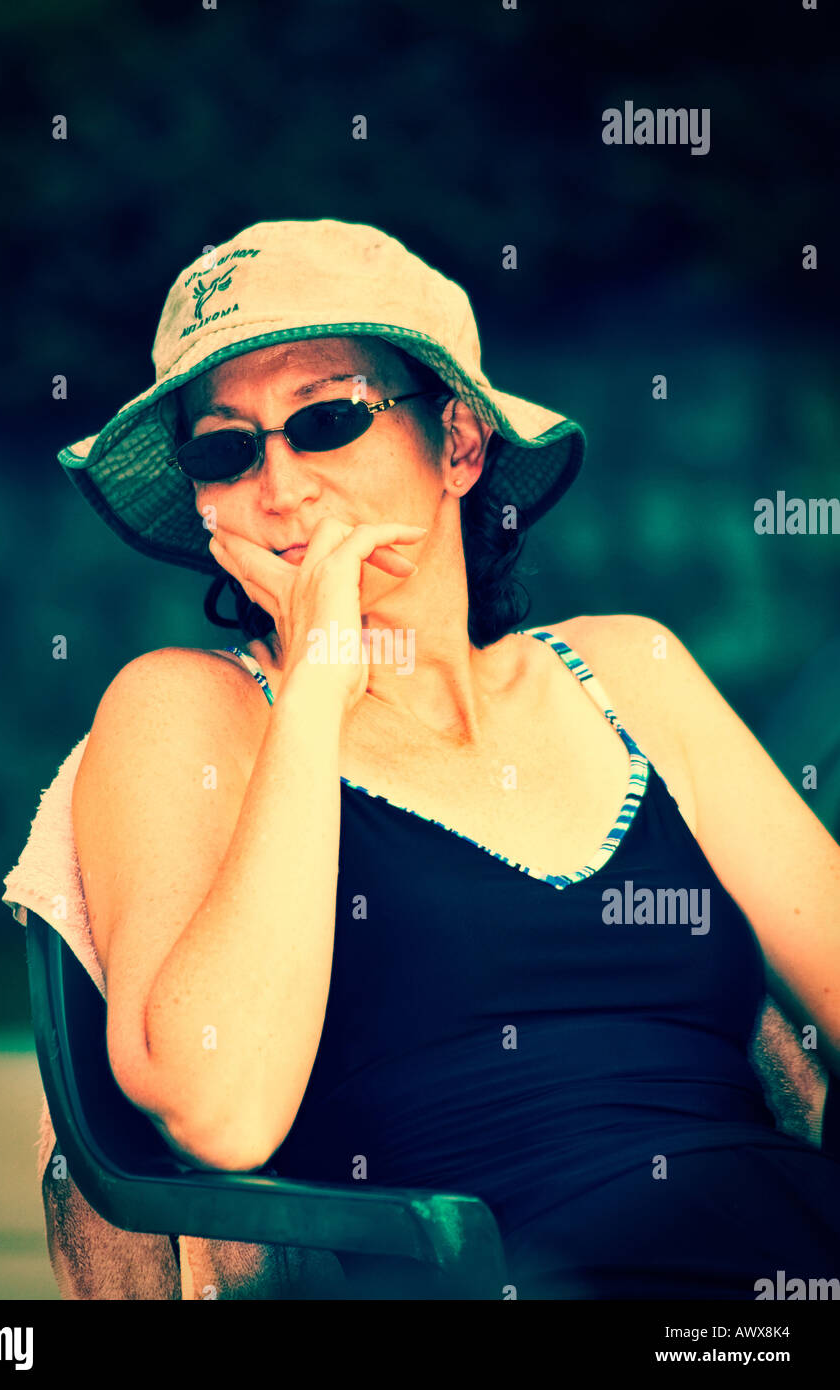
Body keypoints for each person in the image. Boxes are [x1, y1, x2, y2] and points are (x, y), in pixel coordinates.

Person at [60, 218, 840, 1299]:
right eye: (226, 447)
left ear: (460, 445)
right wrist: (321, 682)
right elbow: (217, 1106)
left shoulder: (632, 673)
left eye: (327, 419)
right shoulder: (186, 713)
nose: (281, 488)